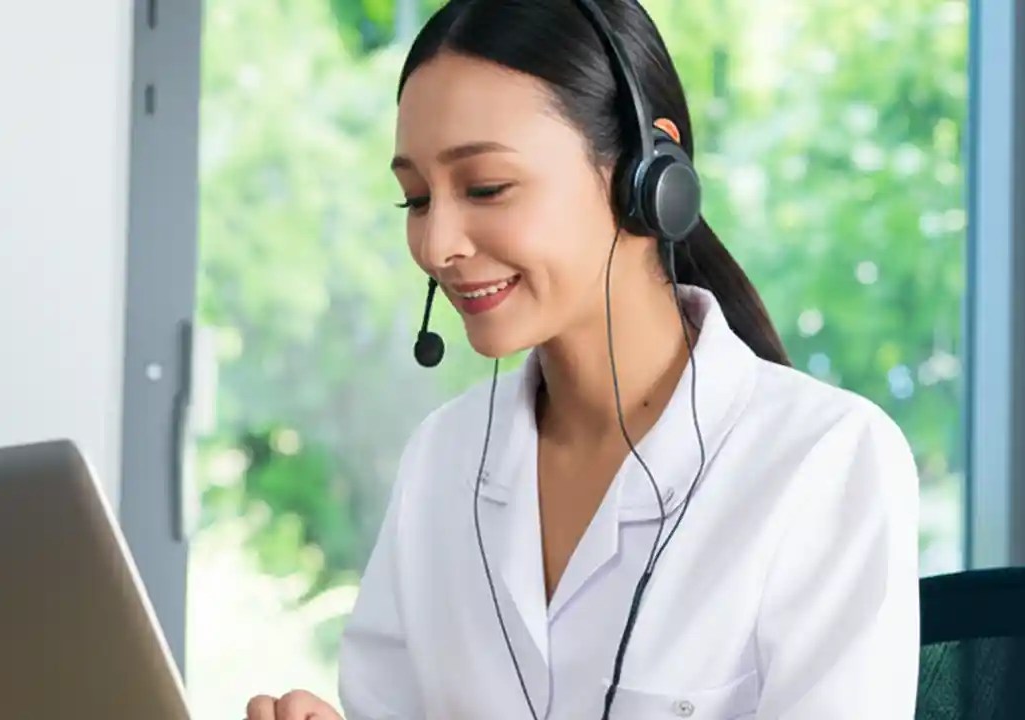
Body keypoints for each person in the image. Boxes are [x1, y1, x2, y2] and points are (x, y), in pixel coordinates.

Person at [246, 0, 920, 718]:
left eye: (485, 188)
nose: (438, 244)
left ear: (646, 170)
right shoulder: (443, 459)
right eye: (415, 199)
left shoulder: (825, 460)